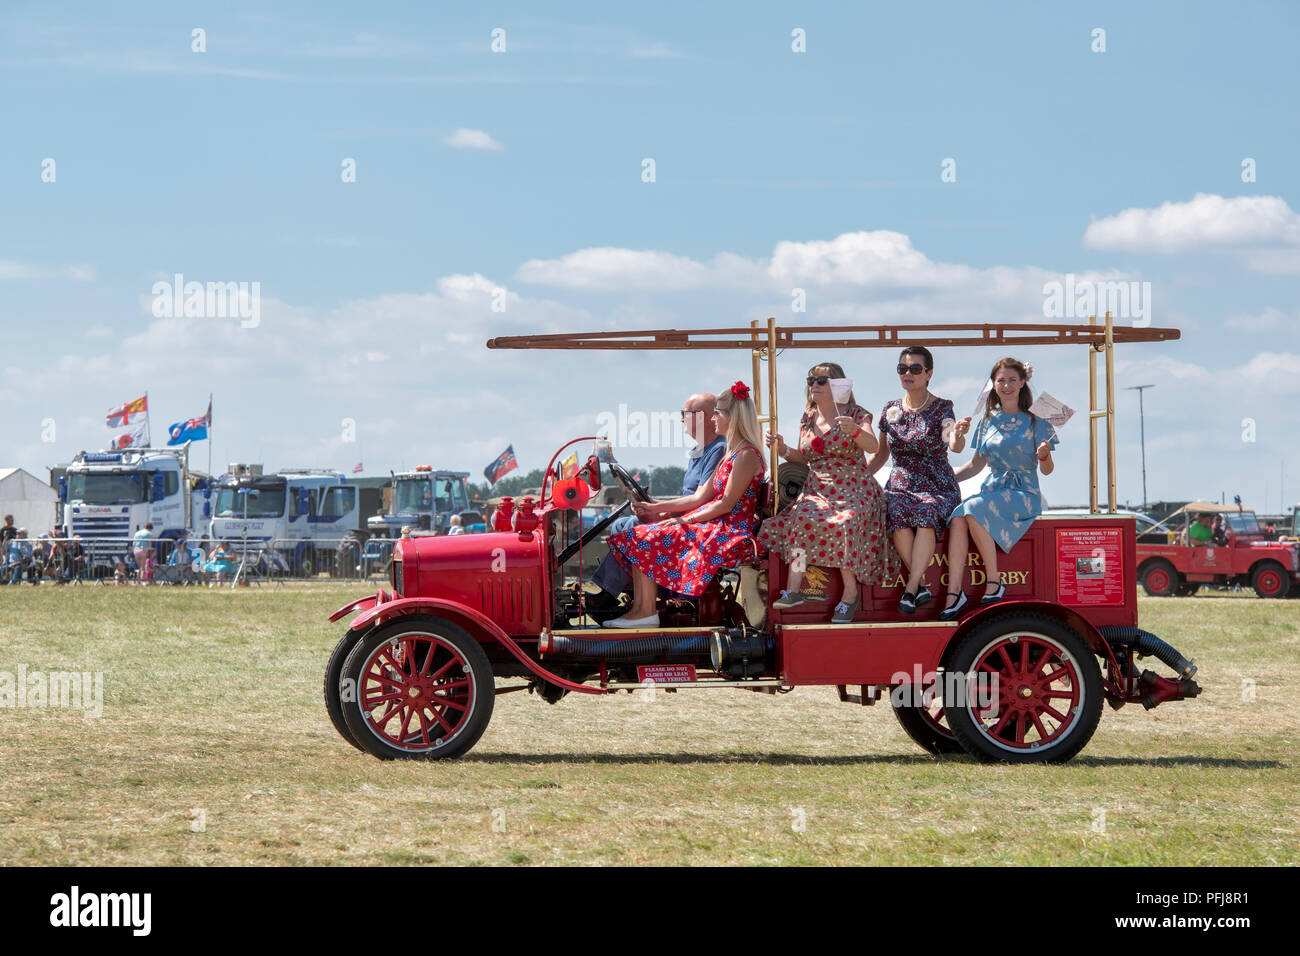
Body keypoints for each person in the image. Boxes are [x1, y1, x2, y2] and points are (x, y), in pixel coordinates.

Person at [605, 382, 764, 628]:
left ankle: (647, 611)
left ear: (733, 418)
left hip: (729, 531)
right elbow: (702, 498)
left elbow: (724, 504)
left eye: (718, 414)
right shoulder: (733, 454)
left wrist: (684, 520)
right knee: (641, 533)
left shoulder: (746, 456)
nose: (713, 419)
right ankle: (640, 609)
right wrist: (660, 510)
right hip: (716, 524)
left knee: (645, 536)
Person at [759, 362, 898, 624]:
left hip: (855, 485)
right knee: (799, 519)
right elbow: (805, 457)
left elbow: (873, 446)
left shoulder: (856, 413)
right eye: (811, 380)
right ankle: (794, 589)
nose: (814, 385)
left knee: (844, 522)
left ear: (837, 386)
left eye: (821, 381)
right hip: (819, 486)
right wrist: (783, 449)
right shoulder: (807, 416)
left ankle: (849, 594)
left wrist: (854, 430)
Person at [940, 358, 1059, 620]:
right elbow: (975, 465)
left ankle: (994, 582)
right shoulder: (985, 422)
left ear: (1022, 382)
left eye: (1012, 380)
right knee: (958, 516)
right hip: (993, 490)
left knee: (972, 508)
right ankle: (954, 592)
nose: (1006, 385)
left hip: (1024, 493)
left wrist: (1044, 455)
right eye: (1001, 380)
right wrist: (945, 478)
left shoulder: (1037, 421)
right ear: (993, 385)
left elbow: (1047, 470)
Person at [589, 391, 728, 607]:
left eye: (685, 413)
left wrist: (660, 510)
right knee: (620, 524)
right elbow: (688, 498)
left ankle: (615, 598)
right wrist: (653, 505)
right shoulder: (700, 451)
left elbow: (701, 499)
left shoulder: (717, 449)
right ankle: (628, 593)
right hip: (689, 516)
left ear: (701, 417)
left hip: (701, 522)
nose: (681, 418)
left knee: (632, 526)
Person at [868, 347, 971, 613]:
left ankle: (912, 587)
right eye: (903, 368)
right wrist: (852, 479)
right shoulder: (890, 408)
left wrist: (958, 434)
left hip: (936, 483)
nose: (908, 374)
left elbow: (954, 444)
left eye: (915, 369)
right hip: (900, 484)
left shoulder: (942, 407)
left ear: (929, 373)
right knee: (895, 510)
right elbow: (880, 456)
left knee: (926, 511)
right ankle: (921, 584)